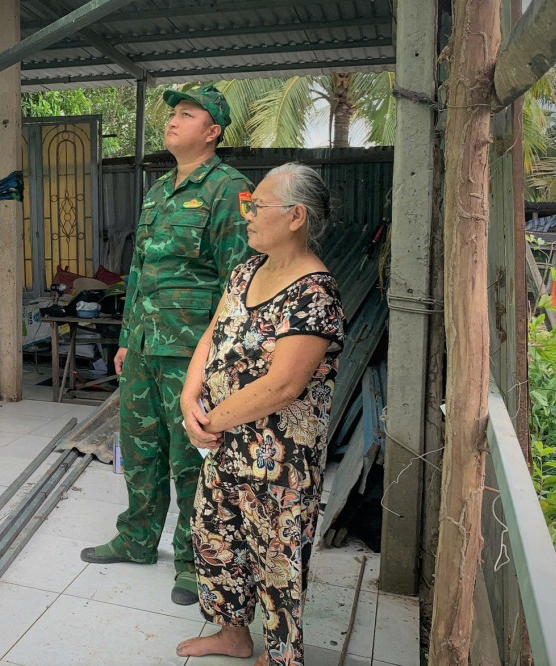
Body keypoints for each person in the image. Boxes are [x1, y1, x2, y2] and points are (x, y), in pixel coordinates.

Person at [79, 84, 253, 606]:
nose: (173, 121)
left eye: (186, 114)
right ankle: (135, 539)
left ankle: (194, 560)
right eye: (172, 113)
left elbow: (238, 285)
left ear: (213, 131)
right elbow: (140, 272)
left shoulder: (230, 190)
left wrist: (215, 359)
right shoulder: (158, 191)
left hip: (192, 355)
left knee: (191, 458)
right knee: (139, 448)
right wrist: (128, 338)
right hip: (146, 348)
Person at [175, 163, 345, 664]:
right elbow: (212, 336)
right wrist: (190, 399)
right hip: (222, 443)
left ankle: (280, 653)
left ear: (296, 216)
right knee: (216, 537)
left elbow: (284, 384)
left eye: (257, 205)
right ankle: (232, 633)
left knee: (277, 559)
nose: (245, 213)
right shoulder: (246, 270)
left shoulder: (314, 293)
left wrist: (212, 419)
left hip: (279, 462)